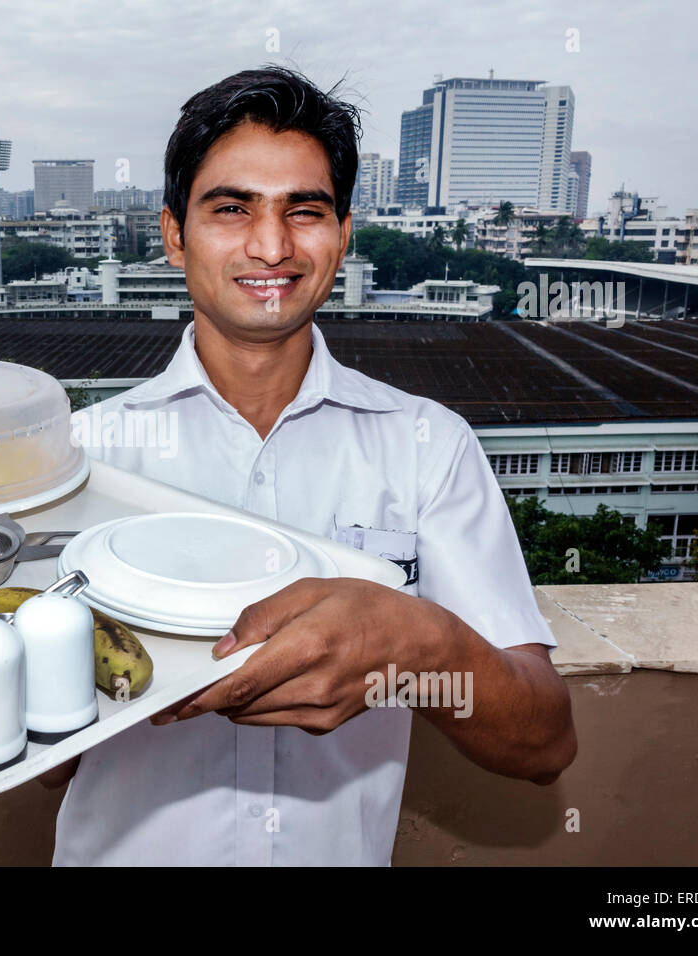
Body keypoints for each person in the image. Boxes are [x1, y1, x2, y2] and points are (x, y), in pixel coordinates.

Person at [44, 65, 576, 866]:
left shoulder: (427, 445)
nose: (272, 245)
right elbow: (44, 765)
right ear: (173, 234)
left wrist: (414, 648)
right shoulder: (82, 457)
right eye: (231, 209)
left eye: (305, 210)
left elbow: (540, 744)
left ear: (344, 234)